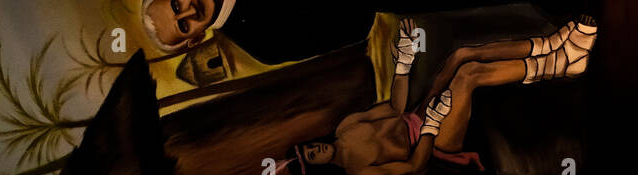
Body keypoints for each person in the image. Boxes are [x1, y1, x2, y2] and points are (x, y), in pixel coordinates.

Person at [276, 16, 597, 175]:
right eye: (312, 156)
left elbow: (394, 108)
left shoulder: (346, 127)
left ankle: (551, 46)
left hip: (417, 113)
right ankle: (556, 66)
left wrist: (403, 64)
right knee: (468, 75)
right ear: (318, 167)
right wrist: (429, 127)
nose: (314, 149)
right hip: (437, 142)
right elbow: (415, 166)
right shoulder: (358, 170)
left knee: (462, 54)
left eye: (309, 147)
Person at [140, 0, 537, 65]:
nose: (189, 9)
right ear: (194, 39)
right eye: (183, 24)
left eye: (176, 4)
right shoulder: (260, 44)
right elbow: (351, 29)